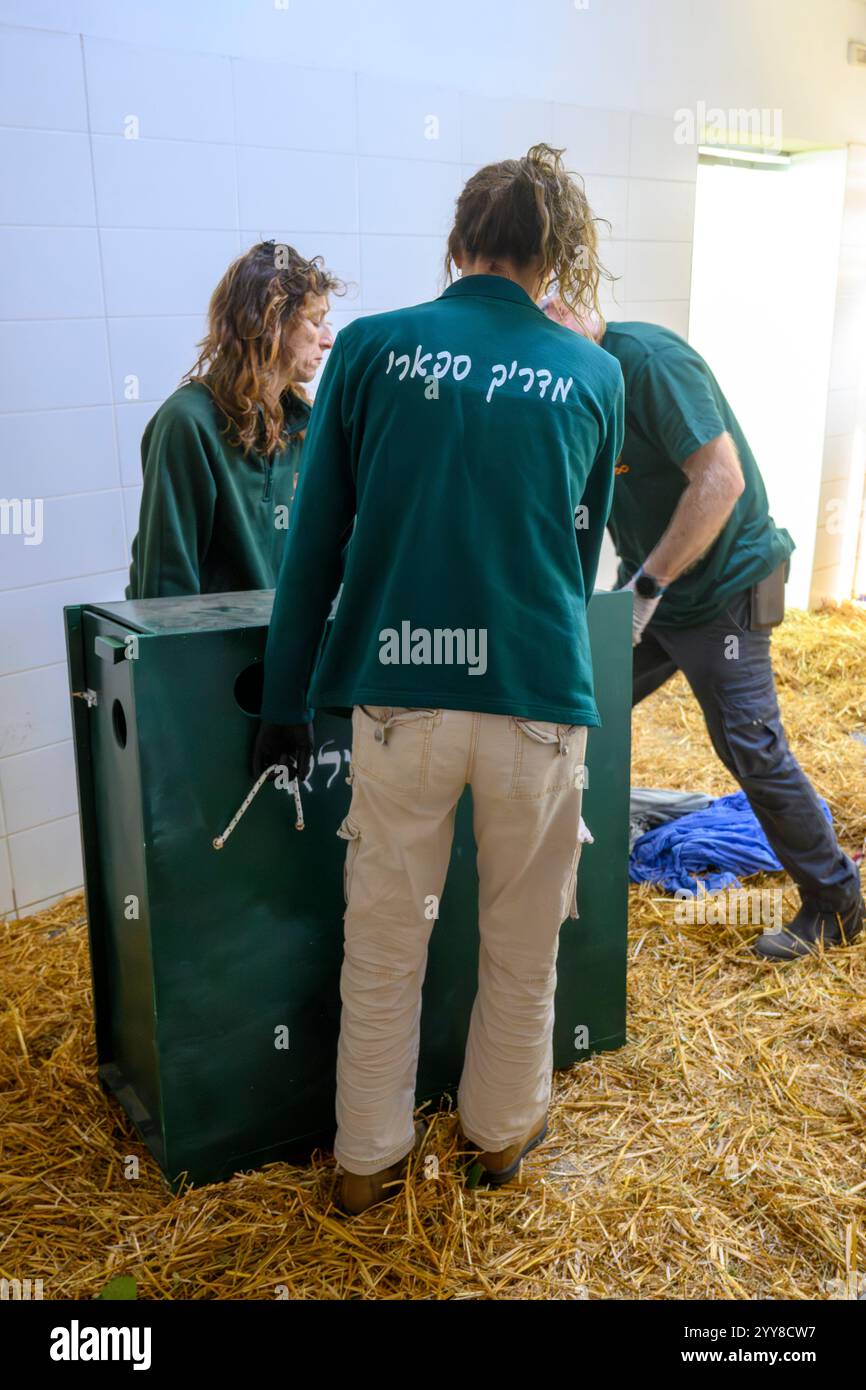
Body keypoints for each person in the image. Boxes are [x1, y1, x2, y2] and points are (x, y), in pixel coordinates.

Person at [252, 144, 624, 1215]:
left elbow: (311, 546)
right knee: (520, 941)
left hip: (400, 697)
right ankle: (499, 1138)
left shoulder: (369, 349)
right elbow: (580, 552)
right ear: (550, 260)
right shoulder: (592, 372)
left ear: (455, 242)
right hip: (538, 703)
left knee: (381, 941)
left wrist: (287, 704)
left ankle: (366, 1160)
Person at [542, 299, 864, 961]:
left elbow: (721, 481)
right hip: (652, 588)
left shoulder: (651, 363)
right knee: (575, 700)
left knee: (750, 747)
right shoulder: (571, 383)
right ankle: (560, 866)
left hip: (722, 587)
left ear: (582, 306)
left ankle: (836, 902)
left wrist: (646, 589)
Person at [126, 241, 342, 598]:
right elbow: (165, 590)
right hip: (216, 649)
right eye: (315, 321)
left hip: (288, 643)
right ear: (272, 322)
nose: (328, 340)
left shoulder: (307, 425)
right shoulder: (188, 423)